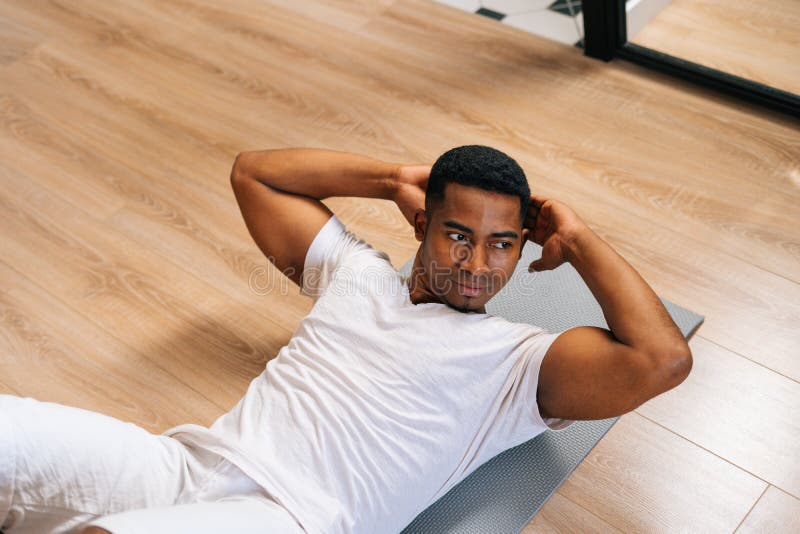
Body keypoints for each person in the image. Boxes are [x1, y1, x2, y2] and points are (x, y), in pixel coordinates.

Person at [0, 145, 692, 534]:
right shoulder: (356, 274)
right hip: (183, 464)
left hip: (287, 522)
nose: (478, 266)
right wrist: (389, 178)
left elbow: (660, 360)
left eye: (501, 245)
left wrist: (580, 240)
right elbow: (254, 174)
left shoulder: (518, 365)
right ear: (421, 223)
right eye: (458, 235)